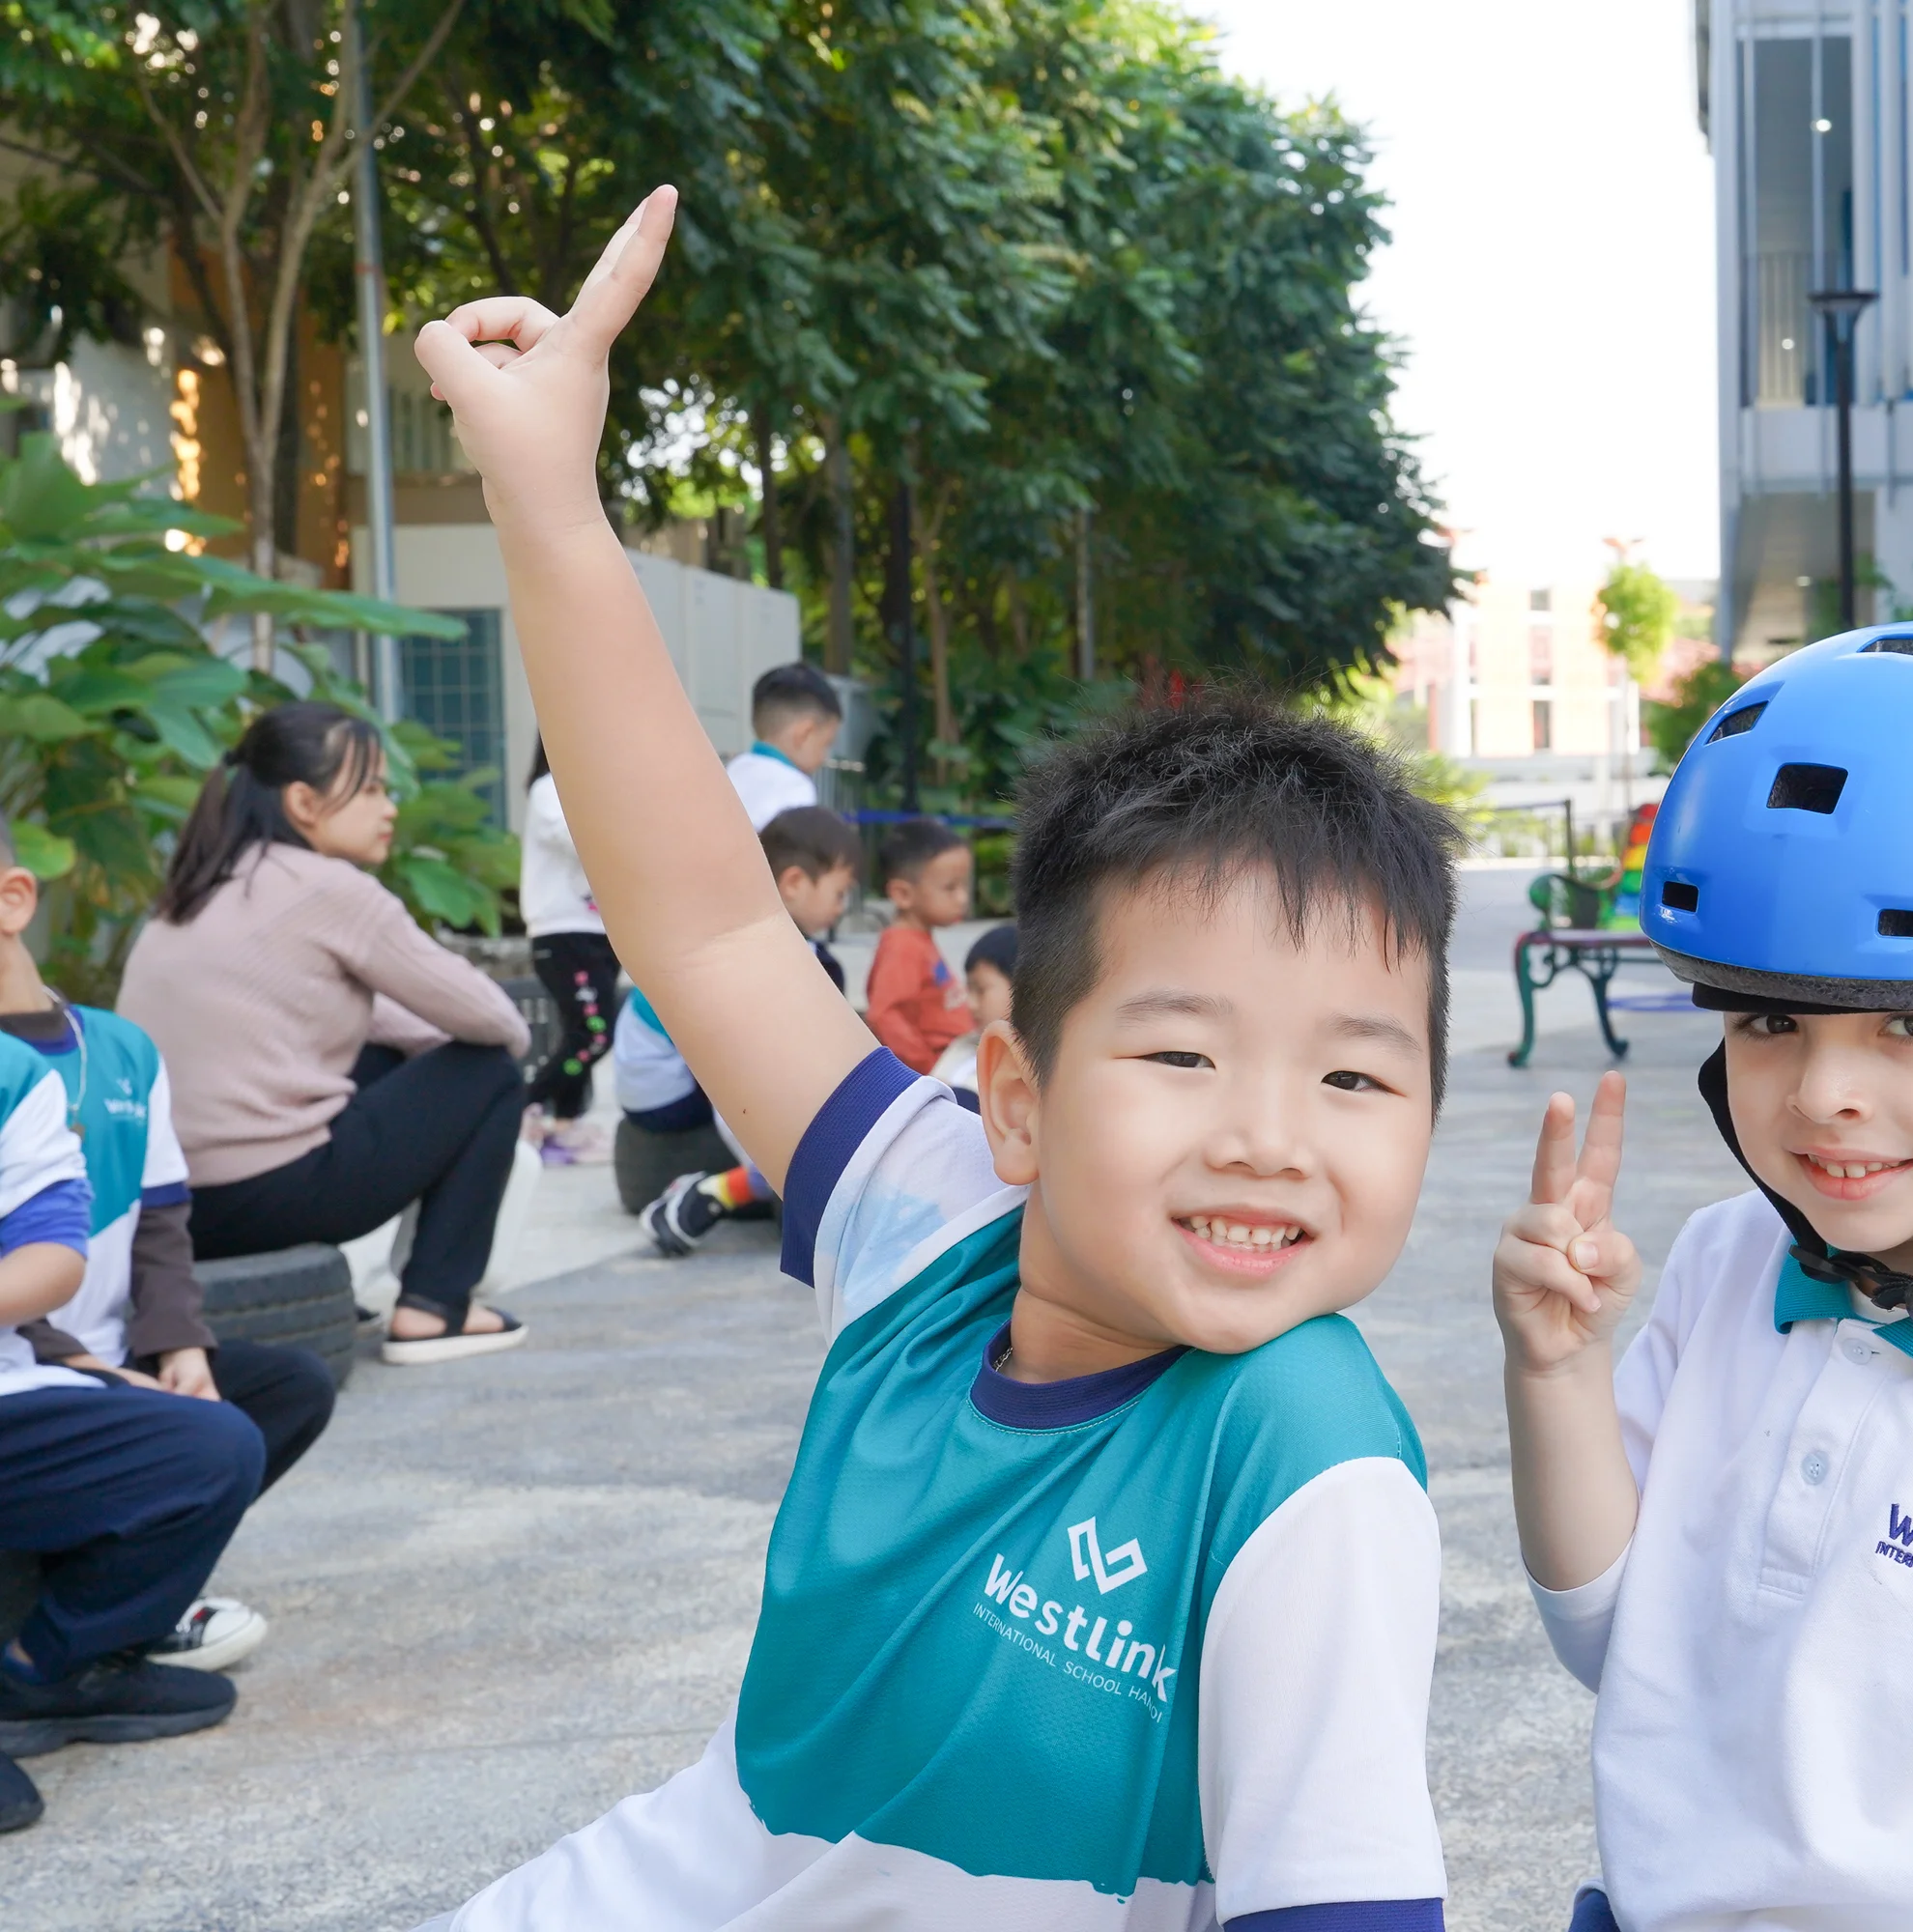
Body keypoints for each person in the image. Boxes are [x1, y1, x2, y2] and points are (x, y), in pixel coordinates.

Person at [408, 187, 1455, 1931]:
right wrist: (548, 503)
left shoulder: (1305, 1456)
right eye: (1184, 1054)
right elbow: (714, 926)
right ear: (1018, 1098)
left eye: (1355, 1079)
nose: (1272, 1138)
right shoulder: (933, 1217)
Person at [1493, 619, 1913, 1931]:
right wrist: (1559, 1374)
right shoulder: (1719, 1266)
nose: (1821, 1095)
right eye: (1767, 1022)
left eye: (1910, 1025)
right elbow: (1613, 1647)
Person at [0, 838, 334, 1672]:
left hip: (107, 1353)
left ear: (14, 901)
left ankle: (127, 1592)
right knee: (205, 1443)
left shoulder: (120, 1050)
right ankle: (57, 1655)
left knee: (289, 1389)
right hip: (36, 1362)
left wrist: (177, 1344)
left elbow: (161, 1222)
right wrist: (87, 1367)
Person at [117, 703, 535, 1367]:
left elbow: (295, 1005)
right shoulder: (329, 887)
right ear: (305, 802)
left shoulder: (197, 884)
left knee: (380, 1052)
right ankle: (434, 1304)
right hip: (269, 1196)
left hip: (175, 1213)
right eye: (370, 788)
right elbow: (496, 1022)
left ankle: (415, 1297)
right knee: (485, 1072)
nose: (388, 807)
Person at [0, 1029, 261, 1830]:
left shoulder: (27, 1070)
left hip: (22, 1383)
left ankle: (43, 1669)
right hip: (60, 1362)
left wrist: (165, 1346)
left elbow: (54, 1250)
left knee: (218, 1440)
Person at [640, 806, 860, 1252]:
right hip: (682, 1089)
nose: (841, 909)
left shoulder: (742, 934)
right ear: (795, 883)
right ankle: (723, 1191)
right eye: (840, 894)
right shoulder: (763, 951)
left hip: (666, 1080)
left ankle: (731, 1188)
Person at [519, 736, 619, 1160]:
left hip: (596, 930)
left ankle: (562, 1123)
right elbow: (580, 840)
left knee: (580, 1032)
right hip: (563, 932)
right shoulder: (550, 790)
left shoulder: (599, 794)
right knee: (593, 1035)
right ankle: (523, 1103)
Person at [865, 817, 974, 1075]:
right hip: (943, 1067)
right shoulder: (902, 946)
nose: (963, 898)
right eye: (950, 888)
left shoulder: (918, 938)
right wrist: (929, 1069)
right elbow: (884, 1015)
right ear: (903, 894)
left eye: (963, 885)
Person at [723, 663, 842, 831]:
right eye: (826, 744)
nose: (825, 757)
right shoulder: (797, 787)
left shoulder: (733, 769)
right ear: (804, 734)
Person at [930, 922, 1017, 1103]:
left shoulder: (1025, 1064)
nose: (971, 1004)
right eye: (969, 990)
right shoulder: (963, 1046)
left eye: (980, 990)